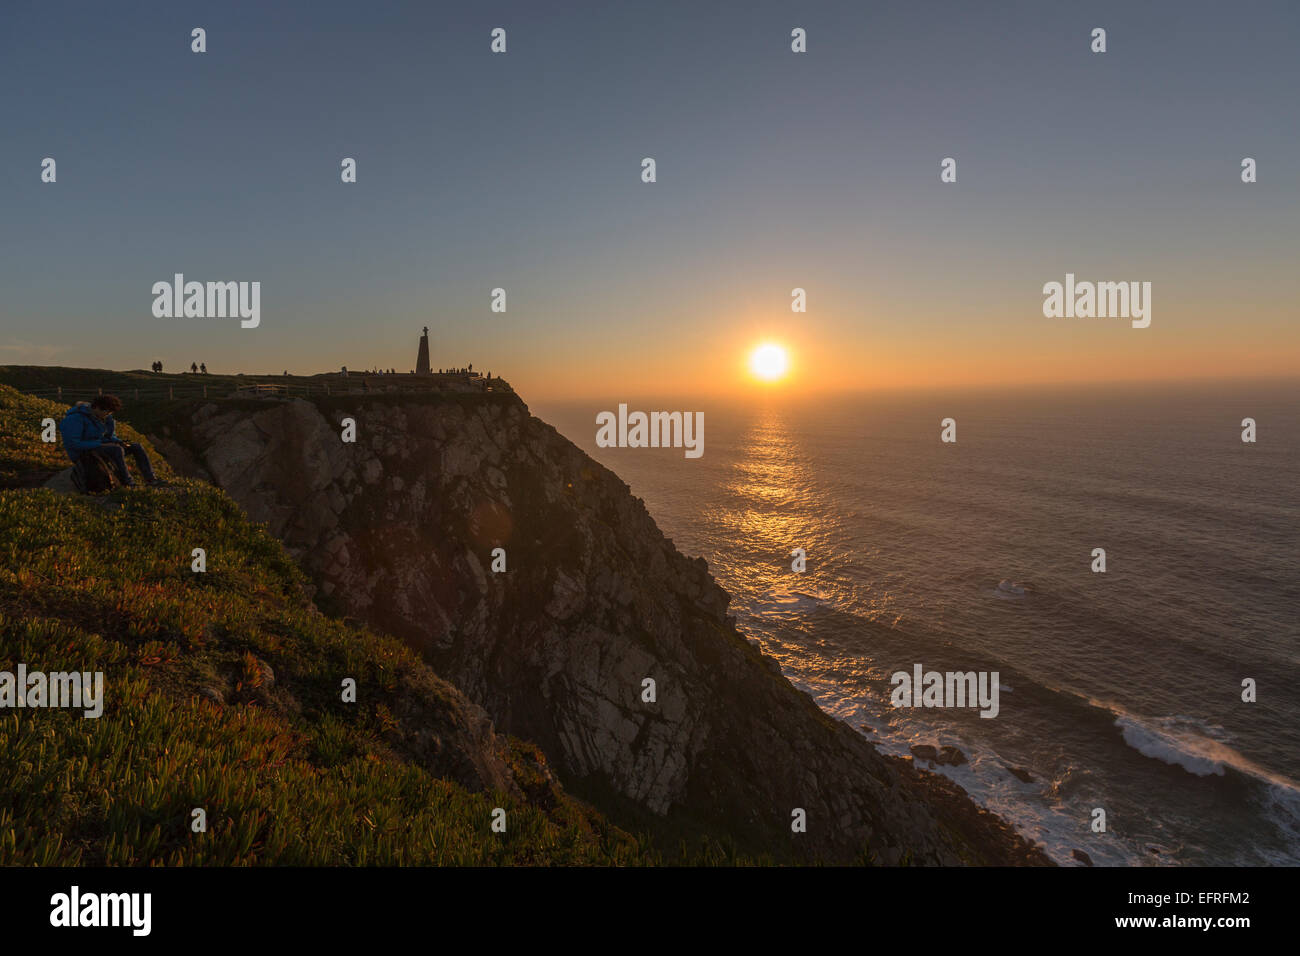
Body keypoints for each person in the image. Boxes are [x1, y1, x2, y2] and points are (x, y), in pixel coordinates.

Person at [59, 394, 166, 488]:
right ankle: (128, 482)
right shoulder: (75, 419)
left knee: (136, 446)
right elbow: (73, 444)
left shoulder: (106, 417)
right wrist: (101, 443)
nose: (108, 414)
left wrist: (118, 441)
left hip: (100, 446)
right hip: (83, 452)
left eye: (110, 412)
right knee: (116, 450)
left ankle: (151, 479)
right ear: (96, 408)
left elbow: (110, 436)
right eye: (107, 411)